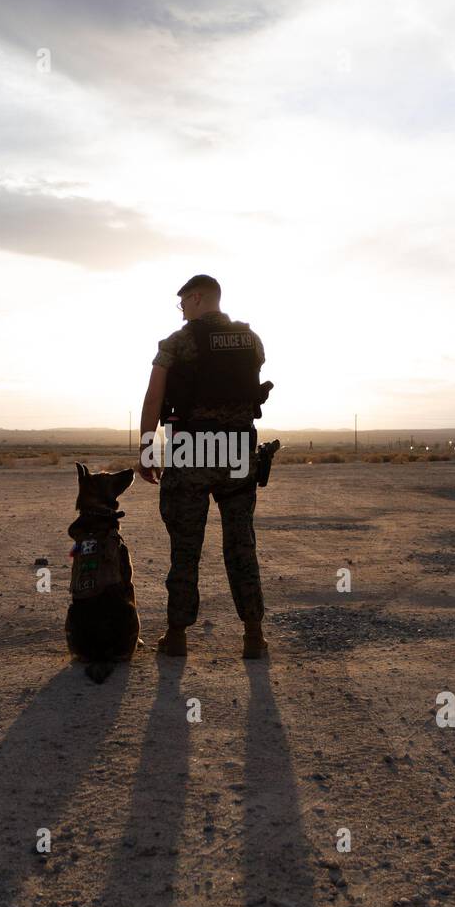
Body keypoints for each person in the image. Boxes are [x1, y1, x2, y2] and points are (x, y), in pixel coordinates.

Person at [137, 274, 269, 659]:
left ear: (195, 298)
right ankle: (253, 635)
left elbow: (152, 400)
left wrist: (148, 452)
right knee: (241, 544)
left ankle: (177, 636)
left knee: (186, 545)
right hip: (238, 452)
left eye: (183, 304)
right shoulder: (252, 340)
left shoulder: (177, 343)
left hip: (191, 450)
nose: (182, 312)